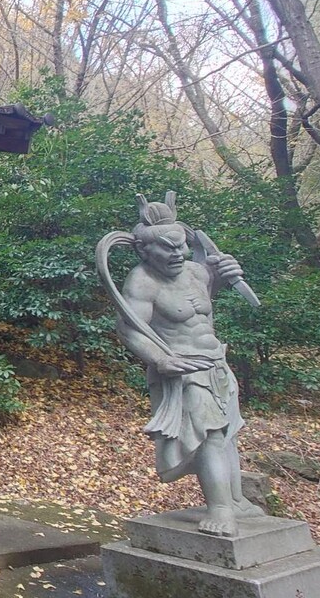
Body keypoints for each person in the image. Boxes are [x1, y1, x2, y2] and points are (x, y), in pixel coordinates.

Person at [111, 192, 264, 536]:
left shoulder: (196, 271)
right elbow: (129, 329)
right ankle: (220, 508)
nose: (178, 254)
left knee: (227, 435)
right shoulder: (141, 281)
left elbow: (206, 301)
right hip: (182, 370)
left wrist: (225, 273)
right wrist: (160, 358)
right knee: (208, 435)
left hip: (216, 364)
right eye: (167, 248)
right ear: (144, 251)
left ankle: (234, 499)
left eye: (180, 246)